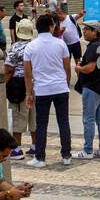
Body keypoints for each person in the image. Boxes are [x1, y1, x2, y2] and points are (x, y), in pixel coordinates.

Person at [24, 15, 72, 167]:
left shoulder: (31, 46)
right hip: (60, 87)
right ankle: (66, 155)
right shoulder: (60, 44)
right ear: (51, 27)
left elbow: (27, 73)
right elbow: (67, 67)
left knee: (42, 123)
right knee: (63, 121)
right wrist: (66, 82)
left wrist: (29, 93)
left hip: (42, 89)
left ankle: (40, 157)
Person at [73, 21, 100, 160]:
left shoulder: (94, 47)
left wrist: (78, 68)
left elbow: (90, 68)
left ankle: (87, 150)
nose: (84, 31)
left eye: (87, 29)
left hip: (93, 87)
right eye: (84, 29)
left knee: (88, 119)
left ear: (95, 32)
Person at [4, 17, 36, 159]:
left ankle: (16, 149)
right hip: (36, 85)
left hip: (19, 85)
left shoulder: (16, 47)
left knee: (18, 115)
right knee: (34, 116)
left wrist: (3, 84)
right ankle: (36, 145)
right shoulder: (35, 46)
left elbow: (9, 69)